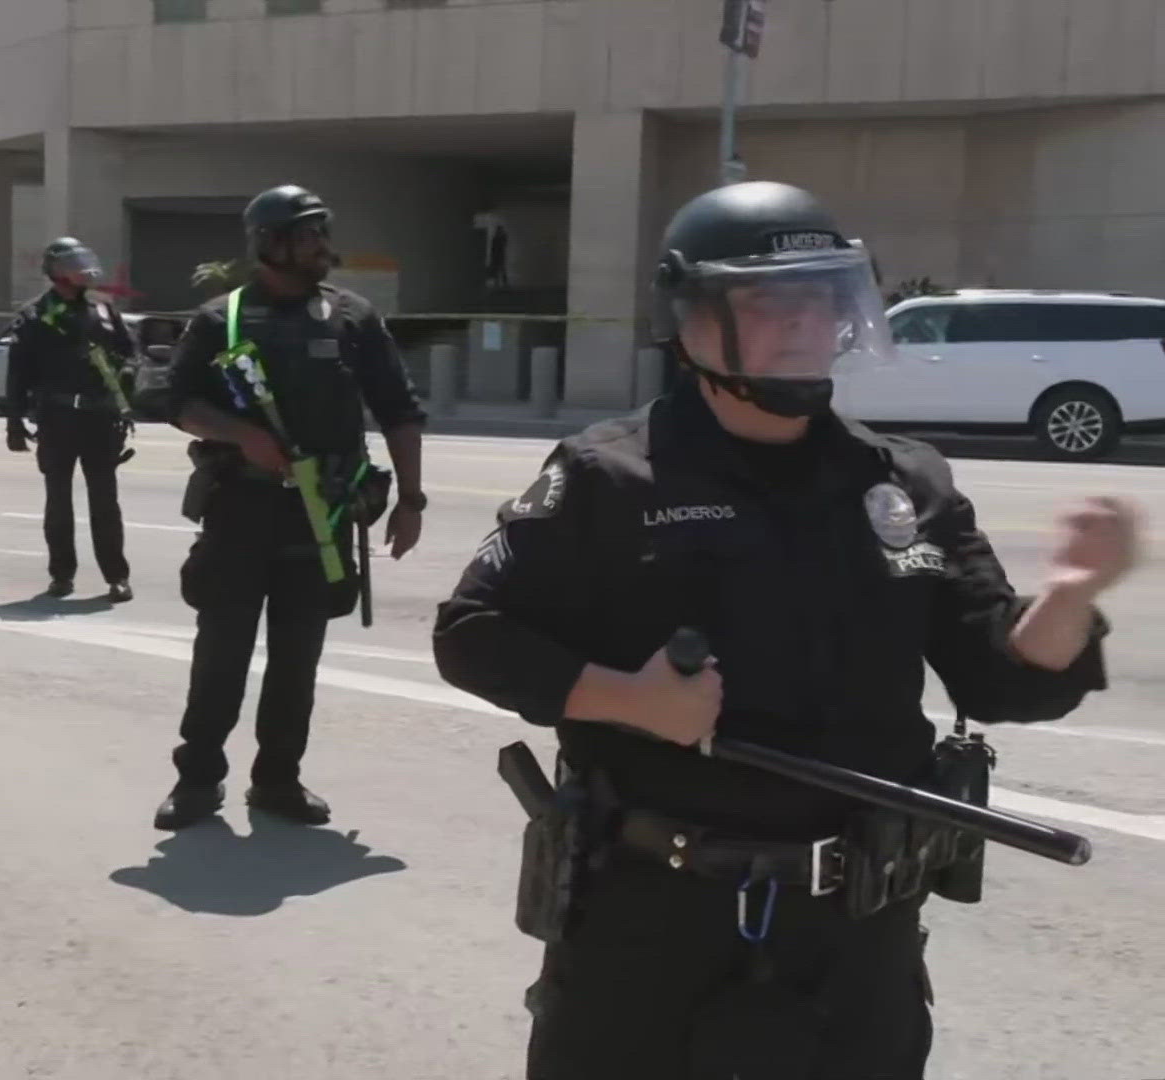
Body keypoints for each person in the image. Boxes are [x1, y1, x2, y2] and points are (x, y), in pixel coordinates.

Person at [432, 180, 1142, 1079]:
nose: (807, 326)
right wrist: (628, 701)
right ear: (690, 325)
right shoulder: (609, 476)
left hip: (855, 933)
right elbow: (473, 632)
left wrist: (1072, 598)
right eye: (771, 303)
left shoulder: (904, 482)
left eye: (823, 300)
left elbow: (1002, 678)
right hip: (653, 919)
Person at [154, 184, 427, 830]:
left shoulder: (352, 317)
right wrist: (239, 434)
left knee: (297, 656)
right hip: (240, 512)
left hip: (321, 515)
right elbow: (170, 400)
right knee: (221, 650)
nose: (321, 247)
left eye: (320, 234)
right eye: (307, 235)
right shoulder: (219, 319)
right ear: (268, 244)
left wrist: (411, 500)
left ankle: (277, 779)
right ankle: (197, 779)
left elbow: (398, 409)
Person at [4, 236, 137, 600]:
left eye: (84, 260)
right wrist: (14, 422)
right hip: (58, 419)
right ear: (56, 271)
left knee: (105, 502)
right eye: (74, 263)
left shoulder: (105, 308)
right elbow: (18, 373)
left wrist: (125, 381)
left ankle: (117, 576)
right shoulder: (35, 315)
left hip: (100, 419)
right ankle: (62, 576)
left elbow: (129, 353)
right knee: (59, 502)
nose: (84, 269)